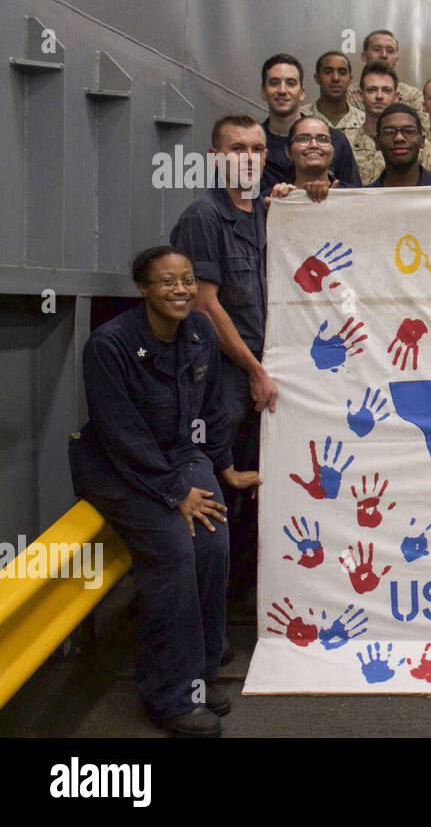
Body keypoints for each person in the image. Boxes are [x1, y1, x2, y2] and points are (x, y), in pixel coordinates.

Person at [69, 246, 260, 736]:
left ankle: (198, 674)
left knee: (214, 541)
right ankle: (168, 695)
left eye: (188, 280)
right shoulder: (110, 345)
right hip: (118, 469)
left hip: (179, 456)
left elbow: (212, 408)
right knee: (176, 552)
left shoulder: (199, 331)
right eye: (168, 282)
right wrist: (176, 492)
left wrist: (225, 468)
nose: (181, 290)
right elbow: (120, 434)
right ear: (144, 290)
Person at [169, 114, 277, 607]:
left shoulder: (263, 211)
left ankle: (244, 594)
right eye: (237, 149)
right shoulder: (203, 217)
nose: (248, 158)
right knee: (220, 483)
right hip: (224, 375)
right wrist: (254, 369)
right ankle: (210, 607)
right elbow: (205, 306)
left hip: (259, 369)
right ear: (216, 159)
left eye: (256, 149)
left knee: (255, 480)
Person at [259, 53, 358, 193]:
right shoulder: (252, 146)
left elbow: (355, 197)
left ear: (302, 93)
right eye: (274, 83)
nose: (282, 90)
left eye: (290, 83)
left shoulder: (336, 140)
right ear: (263, 91)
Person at [345, 29, 428, 128]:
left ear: (397, 60)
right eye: (377, 49)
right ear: (364, 56)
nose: (383, 55)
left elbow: (421, 130)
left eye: (390, 51)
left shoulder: (413, 96)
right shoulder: (348, 94)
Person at [342, 61, 399, 185]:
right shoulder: (344, 142)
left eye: (386, 90)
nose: (379, 96)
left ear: (396, 97)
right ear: (360, 96)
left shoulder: (413, 144)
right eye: (372, 90)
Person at [371, 104, 431, 187]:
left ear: (422, 141)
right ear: (377, 142)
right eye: (389, 132)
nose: (399, 138)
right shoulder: (364, 198)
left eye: (409, 131)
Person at [310, 51, 363, 129]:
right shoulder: (300, 117)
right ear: (317, 78)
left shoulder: (364, 122)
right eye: (328, 72)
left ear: (350, 79)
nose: (335, 78)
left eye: (342, 73)